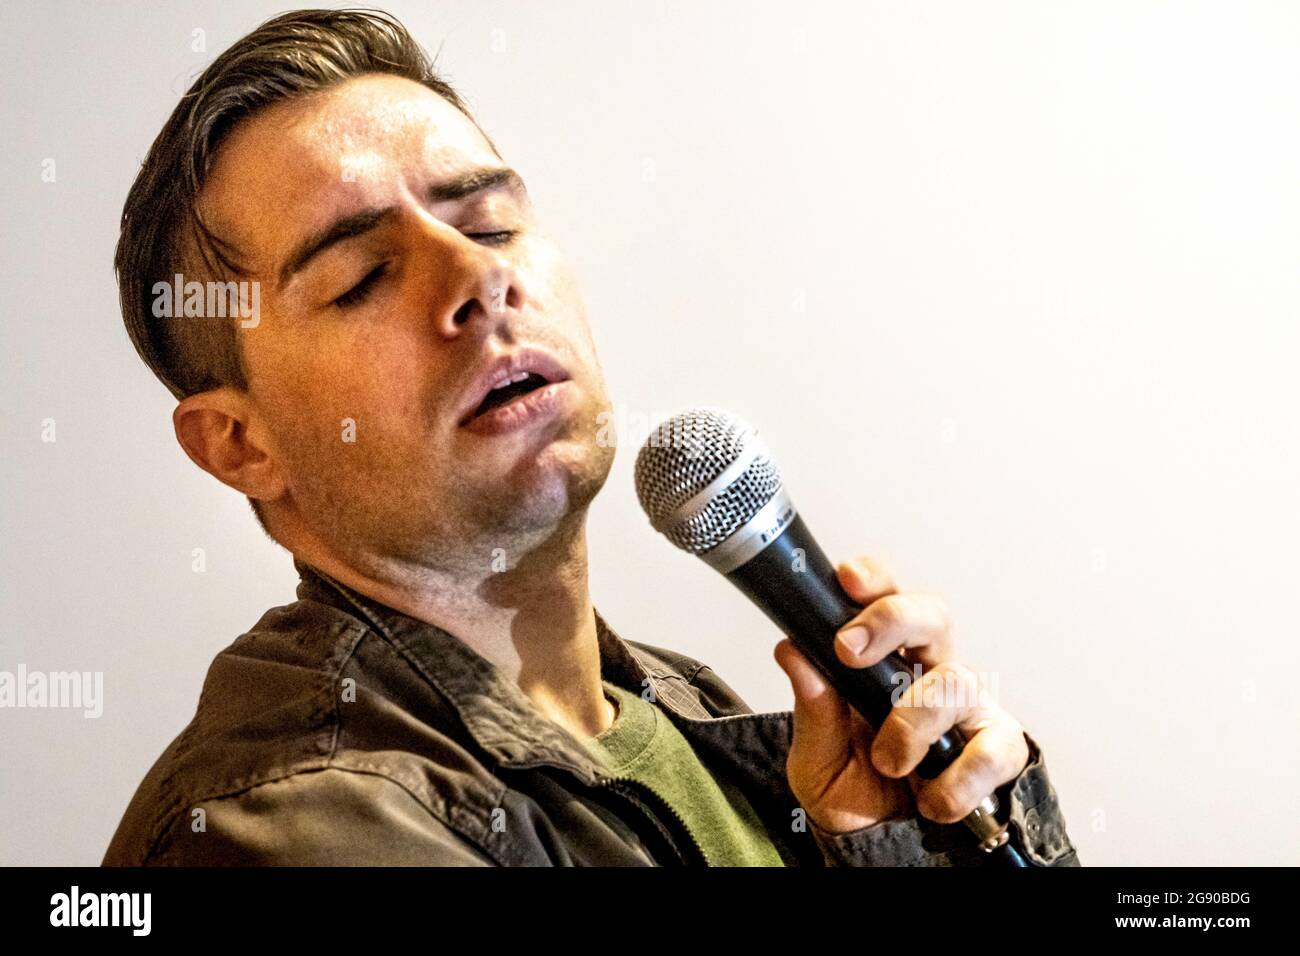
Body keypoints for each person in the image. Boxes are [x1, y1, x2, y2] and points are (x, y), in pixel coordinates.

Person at [103, 9, 1079, 867]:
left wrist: (903, 837)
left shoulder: (684, 707)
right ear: (238, 442)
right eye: (362, 276)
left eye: (488, 225)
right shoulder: (291, 823)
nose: (478, 282)